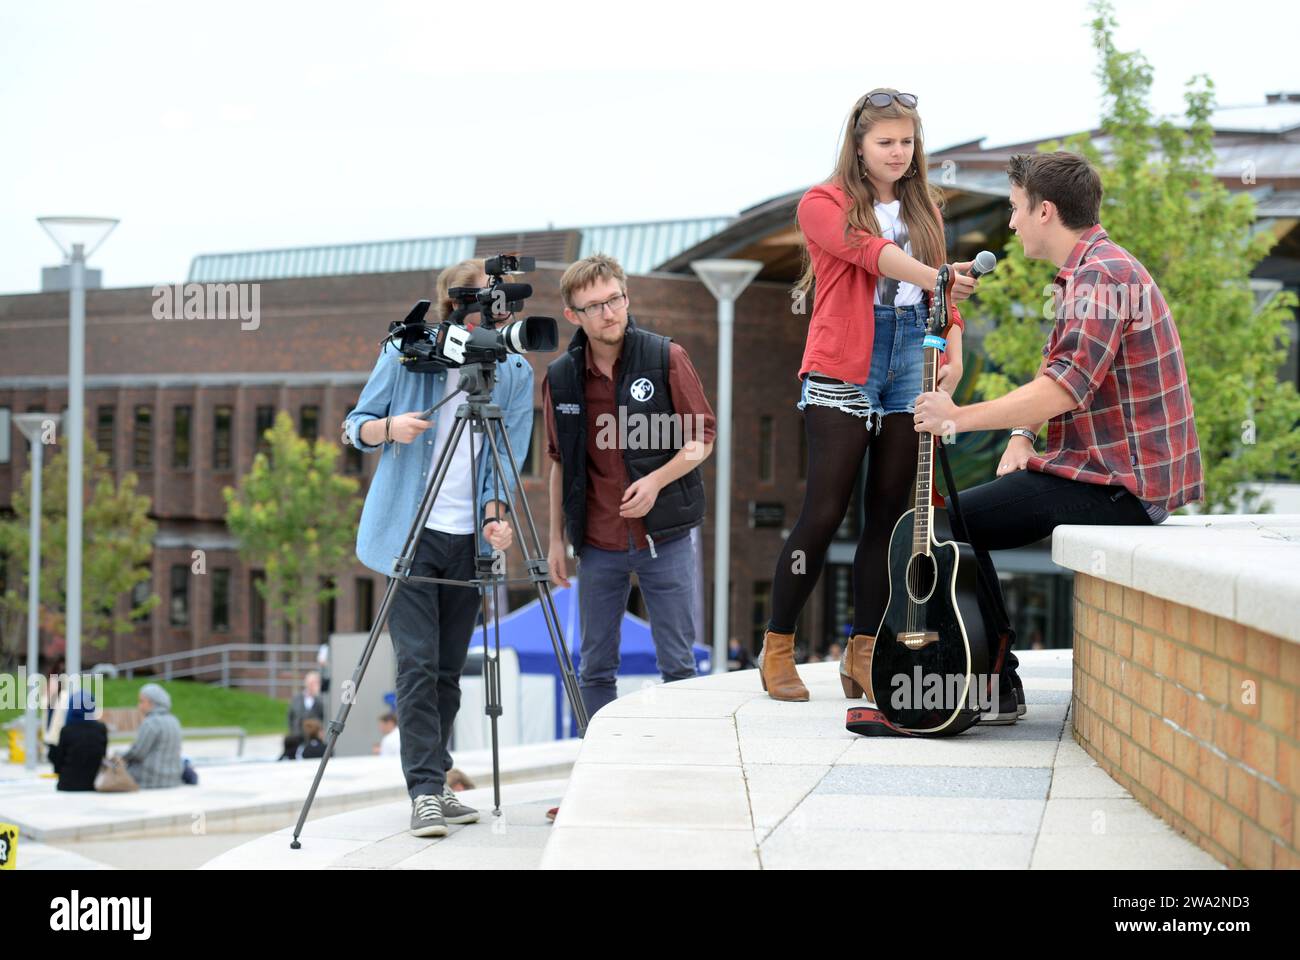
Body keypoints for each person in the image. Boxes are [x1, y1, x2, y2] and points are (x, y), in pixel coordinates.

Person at [912, 150, 1203, 720]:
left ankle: (996, 685)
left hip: (1122, 486)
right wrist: (1022, 432)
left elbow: (1064, 390)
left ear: (1045, 211)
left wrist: (957, 416)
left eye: (1018, 209)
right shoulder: (1094, 268)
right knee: (960, 520)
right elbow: (1064, 372)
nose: (1013, 222)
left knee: (953, 524)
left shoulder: (1101, 278)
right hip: (1115, 472)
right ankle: (994, 681)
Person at [760, 88, 977, 703]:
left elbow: (941, 297)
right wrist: (939, 276)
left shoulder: (925, 208)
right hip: (844, 358)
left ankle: (862, 651)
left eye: (907, 141)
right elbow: (871, 255)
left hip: (914, 351)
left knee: (890, 514)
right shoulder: (821, 203)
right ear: (858, 145)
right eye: (885, 142)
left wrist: (953, 348)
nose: (899, 152)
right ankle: (778, 644)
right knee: (824, 512)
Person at [342, 257, 533, 838]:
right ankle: (425, 791)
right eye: (479, 300)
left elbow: (506, 455)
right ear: (455, 304)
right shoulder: (407, 353)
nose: (492, 312)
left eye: (499, 303)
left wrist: (497, 516)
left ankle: (437, 776)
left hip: (468, 542)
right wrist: (389, 427)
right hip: (411, 535)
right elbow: (355, 424)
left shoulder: (514, 371)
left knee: (449, 670)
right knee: (418, 665)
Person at [543, 253, 716, 719]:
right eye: (594, 306)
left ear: (626, 296)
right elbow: (559, 462)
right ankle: (597, 773)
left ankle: (684, 765)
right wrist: (556, 540)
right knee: (595, 668)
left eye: (614, 299)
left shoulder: (666, 356)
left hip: (667, 537)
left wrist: (657, 481)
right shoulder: (561, 377)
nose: (609, 312)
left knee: (679, 666)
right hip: (597, 543)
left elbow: (702, 438)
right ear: (573, 315)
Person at [119, 683, 183, 788]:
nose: (138, 705)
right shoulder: (174, 721)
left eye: (141, 701)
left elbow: (138, 753)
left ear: (151, 703)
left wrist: (119, 755)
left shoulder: (151, 723)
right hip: (173, 779)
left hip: (150, 779)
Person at [47, 693, 107, 792]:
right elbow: (102, 755)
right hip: (94, 783)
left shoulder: (67, 730)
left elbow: (58, 760)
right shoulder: (101, 728)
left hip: (68, 784)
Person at [287, 671, 324, 740]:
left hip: (314, 738)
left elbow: (324, 717)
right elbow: (290, 717)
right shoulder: (296, 699)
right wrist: (293, 732)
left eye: (315, 683)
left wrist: (317, 694)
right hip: (298, 736)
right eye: (311, 683)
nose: (312, 685)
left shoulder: (321, 700)